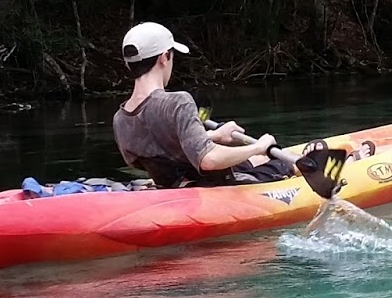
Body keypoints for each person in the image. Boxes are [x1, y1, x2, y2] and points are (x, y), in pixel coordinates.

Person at [112, 22, 296, 188]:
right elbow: (208, 161)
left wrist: (212, 136)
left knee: (255, 160)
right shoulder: (178, 102)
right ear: (164, 57)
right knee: (283, 164)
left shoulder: (120, 118)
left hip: (176, 185)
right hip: (214, 187)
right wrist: (259, 146)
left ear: (130, 65)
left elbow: (161, 155)